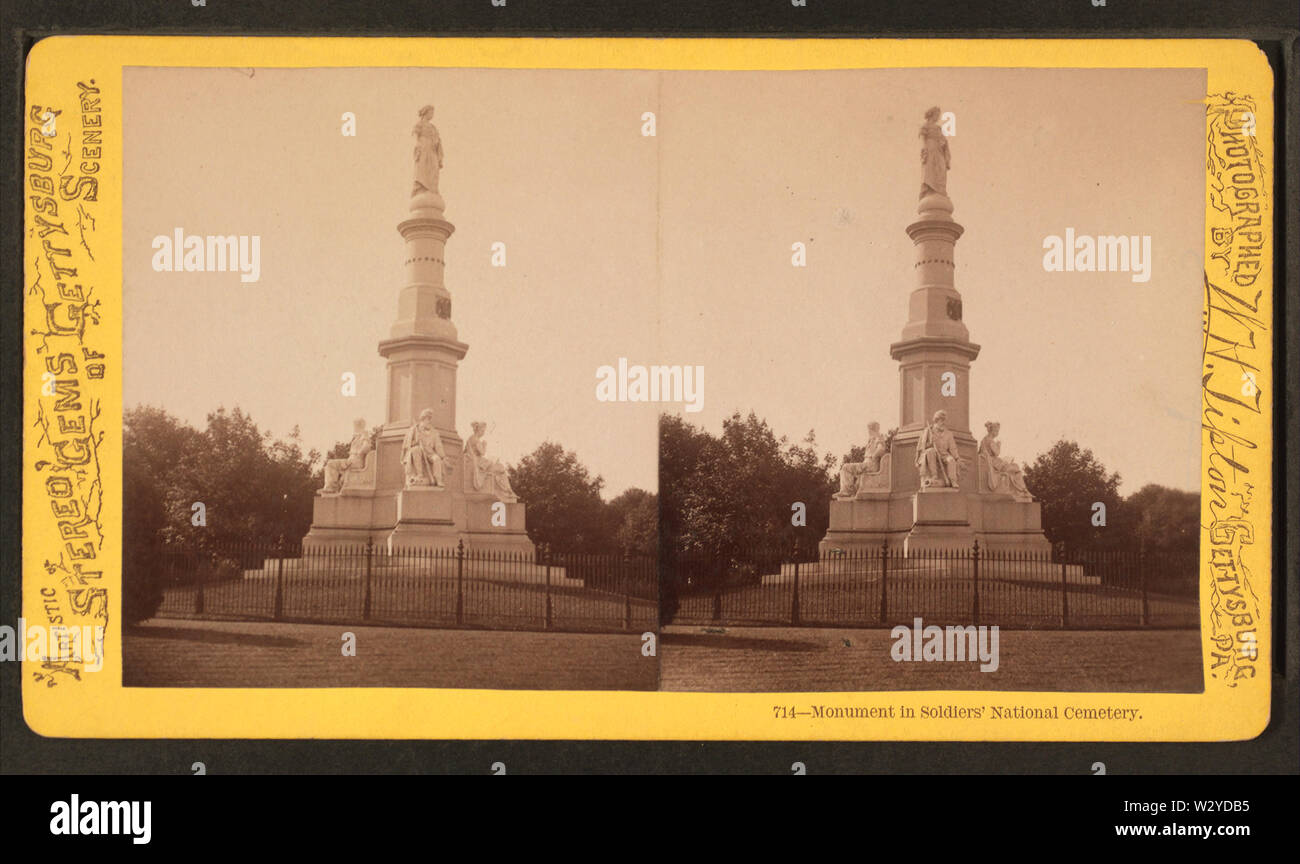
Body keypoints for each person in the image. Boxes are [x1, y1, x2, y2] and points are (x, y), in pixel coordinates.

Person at [465, 421, 517, 502]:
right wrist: (484, 445)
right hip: (480, 465)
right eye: (483, 431)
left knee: (499, 468)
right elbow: (482, 453)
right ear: (478, 430)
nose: (483, 433)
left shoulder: (470, 438)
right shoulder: (476, 440)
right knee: (501, 468)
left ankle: (507, 492)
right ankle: (508, 492)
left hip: (478, 463)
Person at [978, 421, 1032, 500]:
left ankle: (1022, 490)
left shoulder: (984, 440)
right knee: (1016, 468)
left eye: (998, 431)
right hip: (996, 464)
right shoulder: (990, 441)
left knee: (1014, 468)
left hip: (993, 462)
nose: (997, 433)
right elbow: (997, 453)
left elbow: (980, 452)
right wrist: (999, 445)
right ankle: (1023, 490)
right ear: (992, 431)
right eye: (997, 431)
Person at [835, 422, 887, 498]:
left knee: (845, 467)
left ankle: (846, 491)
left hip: (871, 465)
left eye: (869, 429)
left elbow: (881, 449)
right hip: (867, 464)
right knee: (847, 470)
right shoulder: (872, 439)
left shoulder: (877, 437)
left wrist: (874, 455)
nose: (868, 431)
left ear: (872, 429)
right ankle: (848, 490)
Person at [322, 418, 372, 493]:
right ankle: (331, 486)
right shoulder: (357, 436)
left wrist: (359, 453)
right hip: (351, 461)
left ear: (359, 425)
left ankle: (330, 487)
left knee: (331, 464)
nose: (354, 427)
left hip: (355, 462)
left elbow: (367, 446)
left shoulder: (364, 433)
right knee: (331, 465)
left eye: (355, 425)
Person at [402, 408, 446, 488]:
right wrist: (416, 442)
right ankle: (419, 474)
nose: (429, 421)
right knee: (415, 450)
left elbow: (438, 445)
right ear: (422, 419)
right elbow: (407, 444)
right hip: (419, 450)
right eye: (427, 418)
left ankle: (438, 479)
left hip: (430, 453)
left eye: (430, 419)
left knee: (436, 459)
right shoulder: (414, 429)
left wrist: (442, 456)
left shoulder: (434, 432)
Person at [916, 409, 959, 488]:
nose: (943, 422)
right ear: (936, 420)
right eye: (941, 420)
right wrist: (930, 442)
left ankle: (953, 480)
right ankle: (934, 475)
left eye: (944, 420)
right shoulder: (929, 431)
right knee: (930, 451)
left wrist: (956, 457)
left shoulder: (948, 433)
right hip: (933, 453)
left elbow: (953, 448)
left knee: (951, 460)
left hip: (944, 455)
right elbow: (922, 447)